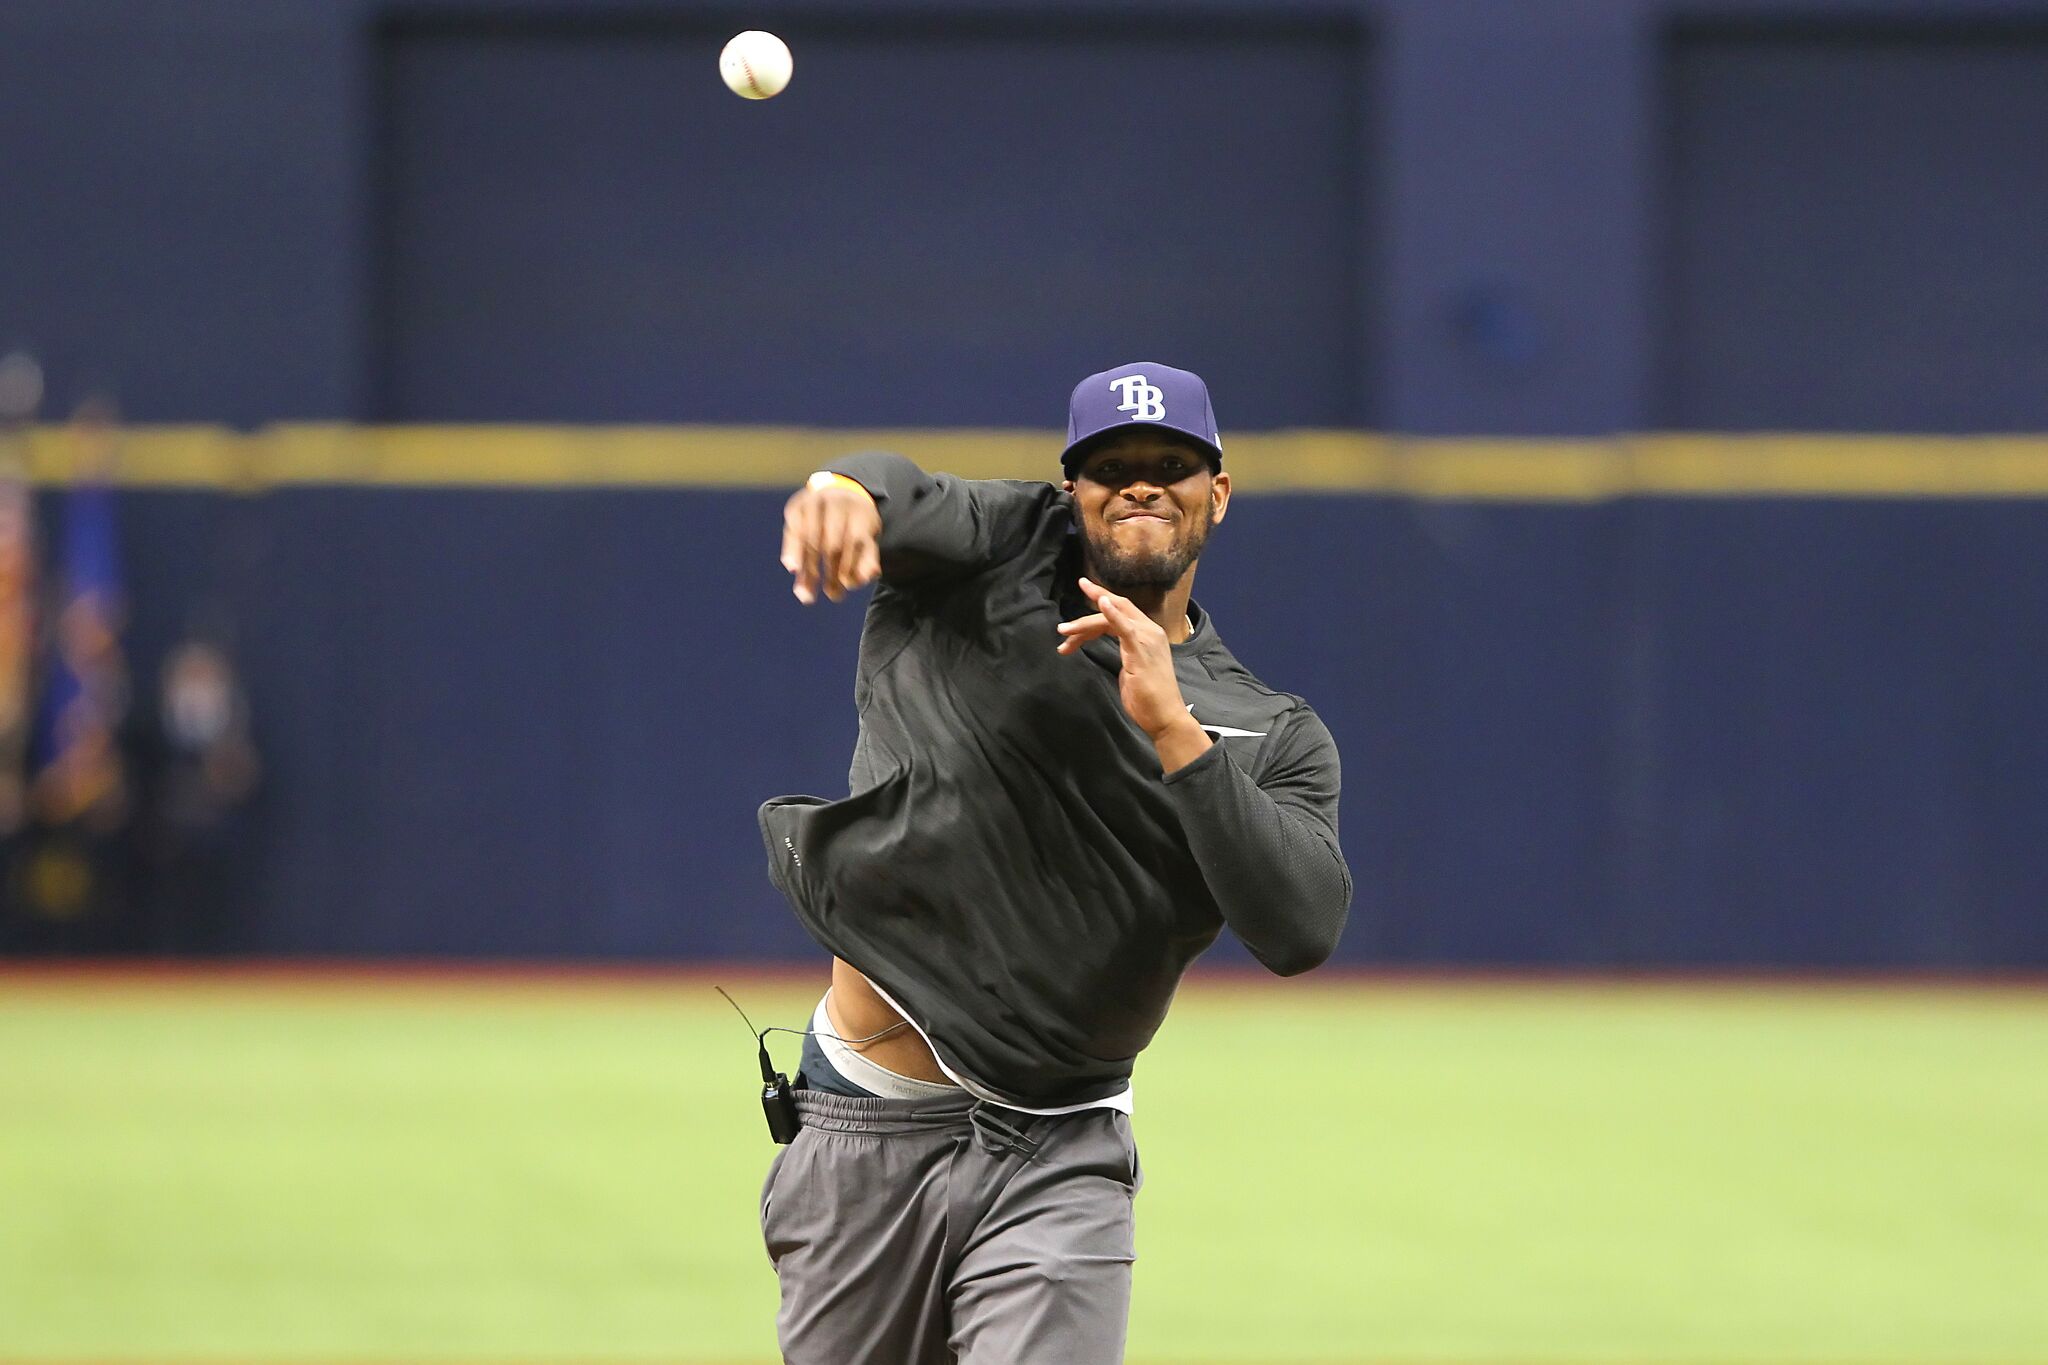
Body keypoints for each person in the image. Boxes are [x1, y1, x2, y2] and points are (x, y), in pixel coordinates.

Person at [758, 361, 1353, 1363]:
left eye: (1172, 464)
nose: (1140, 484)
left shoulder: (1270, 731)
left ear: (1219, 491)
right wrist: (841, 493)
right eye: (1108, 466)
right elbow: (900, 490)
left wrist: (1175, 732)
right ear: (1068, 488)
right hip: (867, 1123)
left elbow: (1299, 927)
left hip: (1061, 1147)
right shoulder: (1002, 549)